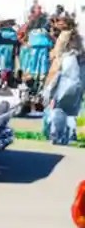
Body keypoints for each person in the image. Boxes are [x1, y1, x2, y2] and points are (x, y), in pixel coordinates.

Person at [45, 16, 83, 146]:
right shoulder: (77, 39)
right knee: (71, 110)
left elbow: (57, 54)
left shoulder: (64, 36)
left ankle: (56, 135)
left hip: (64, 74)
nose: (57, 24)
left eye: (60, 22)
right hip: (76, 79)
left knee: (57, 106)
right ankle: (70, 135)